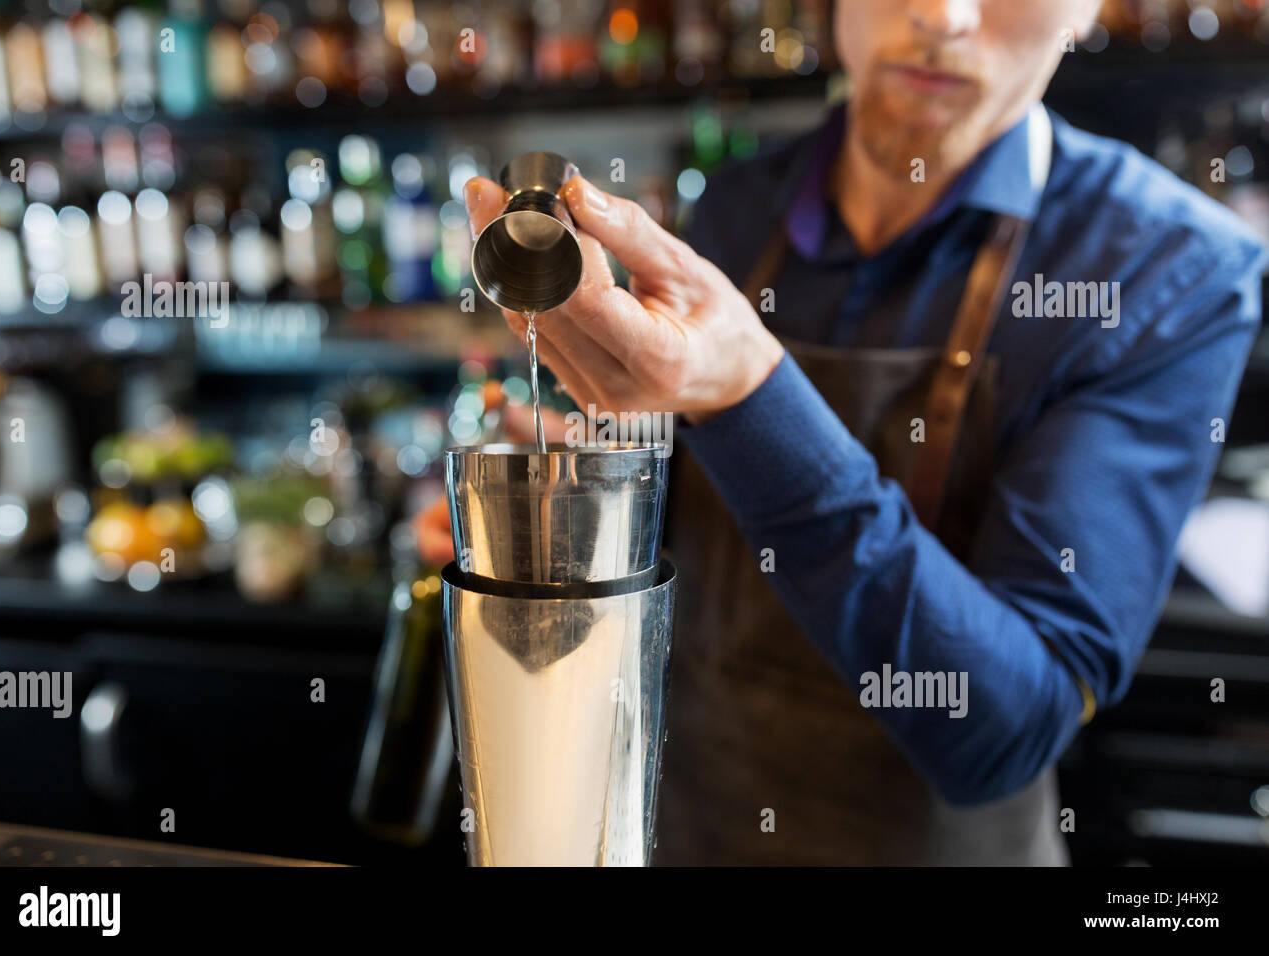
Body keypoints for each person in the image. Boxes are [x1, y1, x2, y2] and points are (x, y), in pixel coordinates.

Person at [418, 0, 1267, 864]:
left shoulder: (1166, 269)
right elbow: (700, 556)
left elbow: (1003, 731)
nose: (942, 14)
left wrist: (752, 397)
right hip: (690, 830)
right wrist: (576, 528)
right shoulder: (740, 208)